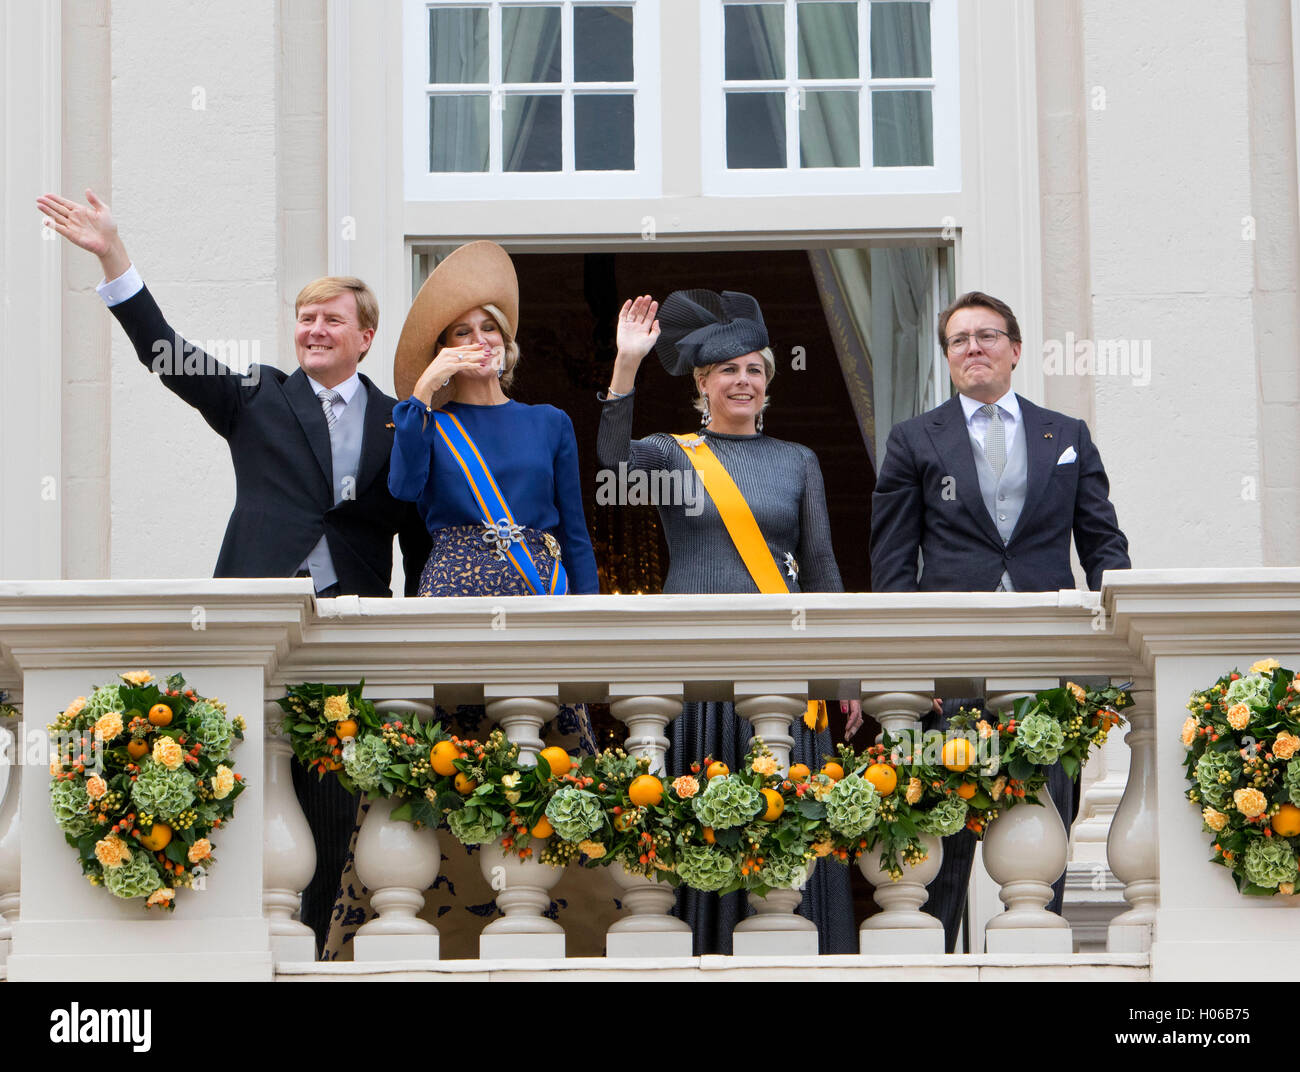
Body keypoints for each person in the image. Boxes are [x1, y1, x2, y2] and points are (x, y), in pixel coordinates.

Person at [36, 188, 431, 956]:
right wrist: (114, 256)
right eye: (305, 318)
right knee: (243, 791)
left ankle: (306, 947)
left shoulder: (399, 420)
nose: (313, 329)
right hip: (254, 623)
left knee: (333, 804)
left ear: (366, 337)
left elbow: (416, 537)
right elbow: (164, 351)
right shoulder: (255, 395)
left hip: (352, 630)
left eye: (331, 320)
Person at [323, 240, 610, 959]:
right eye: (462, 333)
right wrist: (421, 395)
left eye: (489, 329)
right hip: (455, 582)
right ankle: (442, 924)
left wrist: (596, 617)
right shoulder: (429, 423)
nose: (479, 342)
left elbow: (574, 532)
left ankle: (574, 928)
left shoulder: (549, 422)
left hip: (537, 589)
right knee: (445, 762)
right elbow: (404, 490)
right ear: (443, 350)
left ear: (508, 343)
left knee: (549, 758)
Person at [598, 289, 860, 955]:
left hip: (781, 666)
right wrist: (627, 364)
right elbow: (612, 465)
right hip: (697, 668)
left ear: (767, 384)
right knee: (705, 823)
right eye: (728, 371)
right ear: (702, 384)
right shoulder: (673, 455)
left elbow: (823, 562)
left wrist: (846, 674)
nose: (742, 381)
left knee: (789, 827)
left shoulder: (797, 460)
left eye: (754, 369)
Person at [870, 289, 1131, 950]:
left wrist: (1115, 647)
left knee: (1049, 810)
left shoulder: (1065, 436)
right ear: (948, 358)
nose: (974, 348)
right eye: (960, 340)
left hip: (1050, 663)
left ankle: (1043, 952)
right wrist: (908, 663)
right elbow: (894, 563)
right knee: (951, 820)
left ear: (1014, 351)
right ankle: (938, 961)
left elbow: (1103, 547)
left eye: (987, 336)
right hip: (957, 661)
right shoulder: (913, 440)